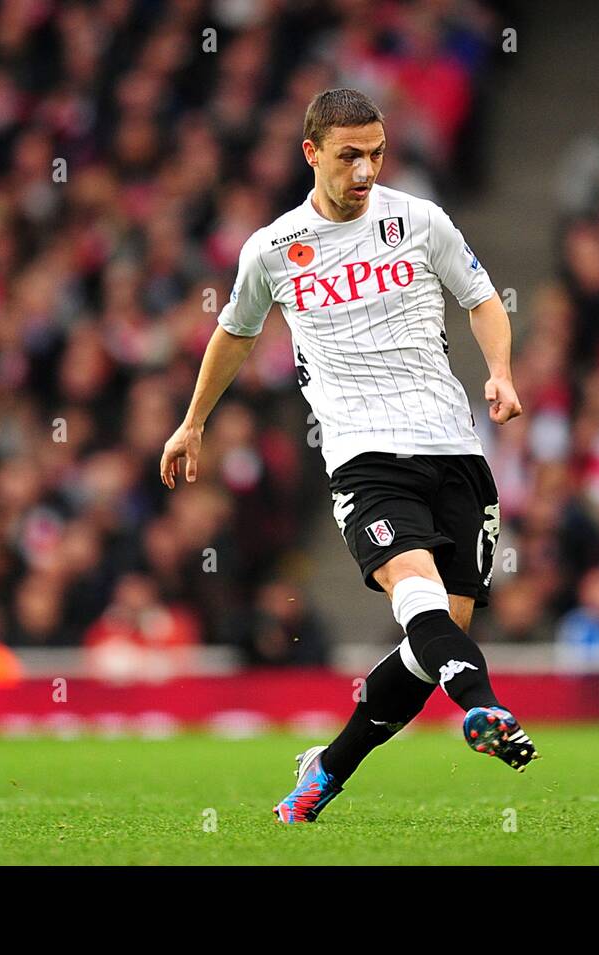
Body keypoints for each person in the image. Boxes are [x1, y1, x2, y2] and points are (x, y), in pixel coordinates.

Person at [160, 89, 536, 823]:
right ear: (311, 154)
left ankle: (328, 767)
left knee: (435, 637)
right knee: (418, 598)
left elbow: (483, 296)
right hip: (364, 456)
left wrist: (500, 371)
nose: (365, 172)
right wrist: (193, 422)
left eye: (376, 154)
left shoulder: (419, 220)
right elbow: (235, 333)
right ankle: (484, 706)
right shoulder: (273, 248)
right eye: (348, 157)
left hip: (454, 446)